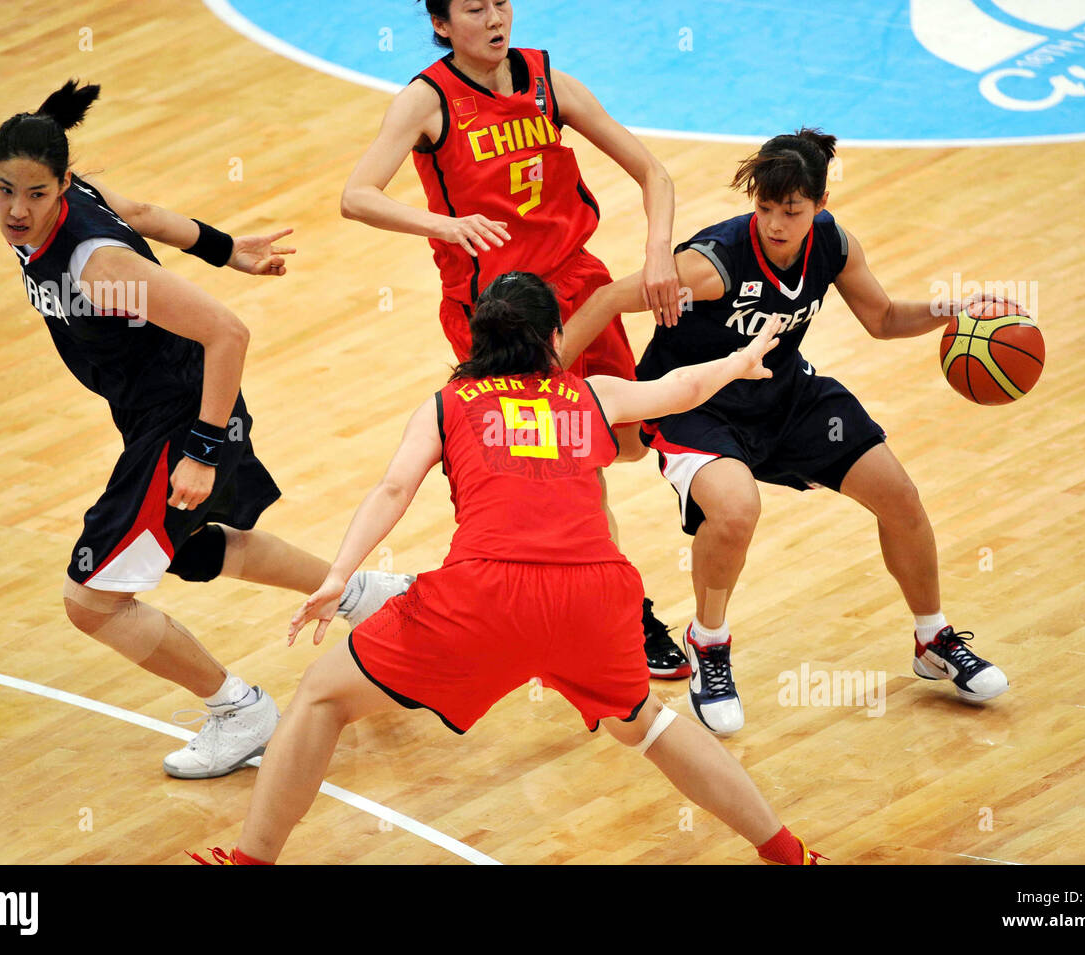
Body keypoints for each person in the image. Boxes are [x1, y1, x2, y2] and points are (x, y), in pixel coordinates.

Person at [188, 271, 820, 865]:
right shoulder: (592, 394)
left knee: (323, 696)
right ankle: (788, 851)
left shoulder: (447, 404)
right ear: (554, 339)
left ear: (475, 340)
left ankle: (251, 859)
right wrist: (739, 362)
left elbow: (391, 491)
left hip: (483, 596)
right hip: (596, 597)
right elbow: (680, 388)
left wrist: (337, 578)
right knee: (645, 724)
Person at [0, 80, 411, 778]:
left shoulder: (97, 265)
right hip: (159, 410)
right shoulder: (65, 204)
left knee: (91, 599)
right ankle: (367, 597)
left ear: (63, 185)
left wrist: (202, 453)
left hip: (186, 417)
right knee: (191, 548)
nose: (17, 209)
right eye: (5, 190)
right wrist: (226, 248)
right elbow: (144, 210)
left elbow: (227, 332)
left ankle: (238, 710)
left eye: (36, 194)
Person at [560, 128, 1012, 735]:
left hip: (785, 395)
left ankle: (931, 637)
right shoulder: (712, 264)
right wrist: (543, 381)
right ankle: (709, 644)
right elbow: (608, 299)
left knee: (899, 498)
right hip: (699, 403)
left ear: (819, 204)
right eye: (766, 208)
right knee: (737, 510)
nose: (776, 222)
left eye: (792, 210)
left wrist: (952, 308)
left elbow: (881, 319)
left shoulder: (831, 243)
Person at [339, 0, 689, 678]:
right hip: (499, 316)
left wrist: (657, 249)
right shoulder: (427, 100)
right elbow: (357, 195)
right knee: (560, 465)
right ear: (442, 24)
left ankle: (435, 592)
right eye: (475, 8)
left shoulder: (545, 80)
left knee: (623, 445)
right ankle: (618, 611)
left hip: (580, 287)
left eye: (502, 2)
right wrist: (444, 225)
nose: (496, 18)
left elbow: (656, 173)